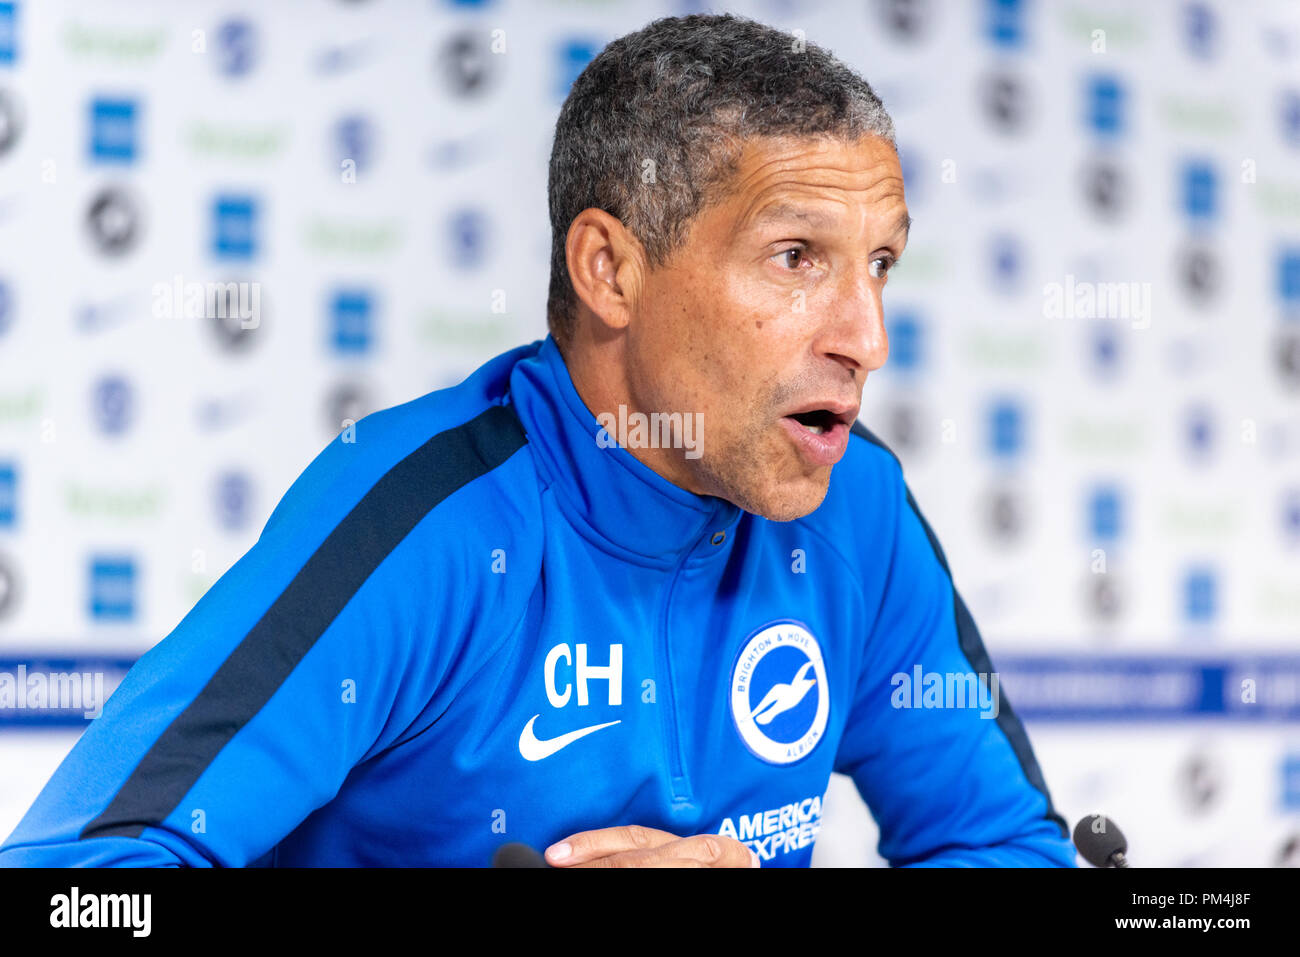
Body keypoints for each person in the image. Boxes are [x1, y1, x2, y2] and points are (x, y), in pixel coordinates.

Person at [0, 13, 1074, 868]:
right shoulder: (426, 525)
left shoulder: (857, 509)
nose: (865, 339)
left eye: (878, 263)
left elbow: (1005, 846)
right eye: (795, 257)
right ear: (610, 270)